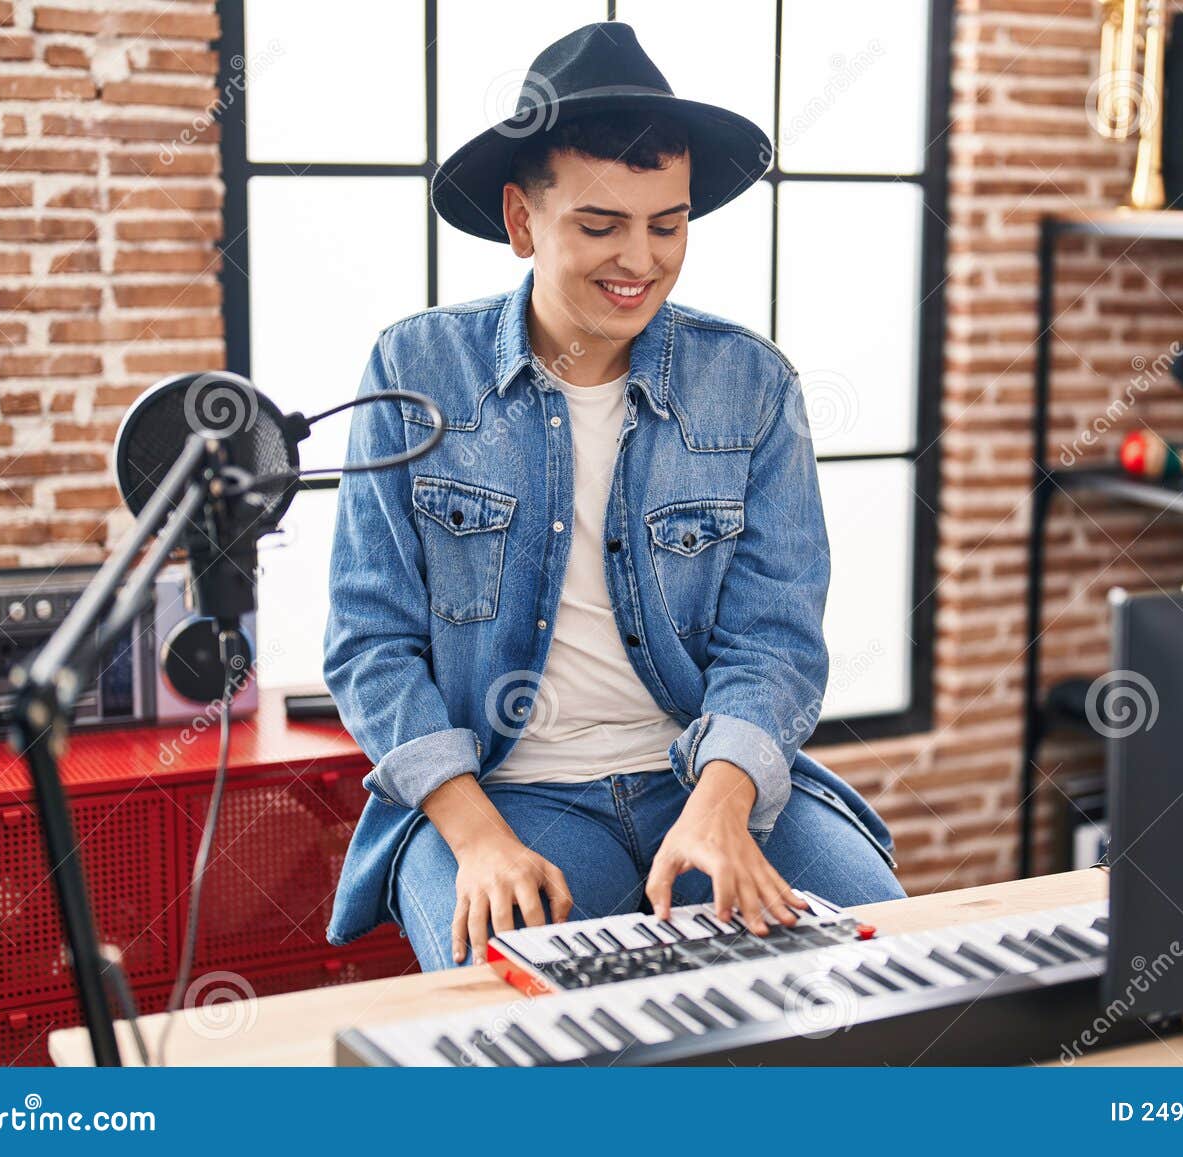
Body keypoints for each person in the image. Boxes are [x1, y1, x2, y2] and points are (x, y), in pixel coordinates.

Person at [324, 22, 903, 972]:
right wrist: (474, 835)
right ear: (520, 220)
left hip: (703, 774)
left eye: (666, 225)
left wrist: (721, 806)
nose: (640, 260)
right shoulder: (414, 371)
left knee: (883, 967)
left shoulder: (752, 385)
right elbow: (369, 642)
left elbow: (777, 640)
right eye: (600, 225)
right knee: (516, 1016)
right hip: (510, 794)